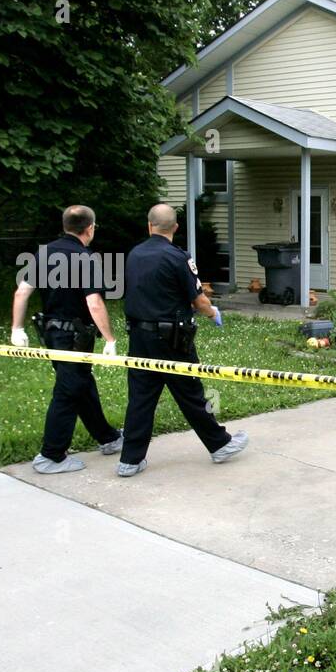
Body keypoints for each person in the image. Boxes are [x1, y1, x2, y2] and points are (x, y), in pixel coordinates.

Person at [116, 203, 247, 477]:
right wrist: (213, 313)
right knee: (191, 393)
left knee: (140, 397)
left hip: (139, 336)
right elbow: (199, 300)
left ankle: (129, 460)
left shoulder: (134, 254)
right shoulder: (178, 257)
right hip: (172, 339)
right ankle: (220, 445)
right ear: (175, 227)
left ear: (149, 225)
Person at [10, 205, 123, 474]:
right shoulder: (86, 258)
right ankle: (51, 455)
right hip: (75, 336)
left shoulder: (44, 252)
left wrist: (17, 328)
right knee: (68, 390)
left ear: (65, 226)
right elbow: (94, 302)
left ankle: (108, 437)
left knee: (80, 382)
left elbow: (22, 291)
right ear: (90, 228)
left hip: (51, 332)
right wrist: (110, 339)